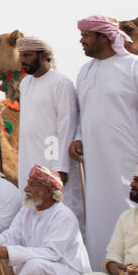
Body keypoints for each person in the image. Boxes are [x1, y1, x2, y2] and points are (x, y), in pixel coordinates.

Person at [70, 15, 138, 270]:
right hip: (95, 160)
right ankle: (103, 271)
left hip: (130, 158)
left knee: (130, 210)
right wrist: (78, 137)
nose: (81, 41)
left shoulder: (136, 66)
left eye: (86, 36)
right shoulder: (86, 71)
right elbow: (84, 111)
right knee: (99, 215)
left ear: (104, 37)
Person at [0, 165, 90, 275]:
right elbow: (12, 235)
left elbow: (52, 253)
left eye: (32, 185)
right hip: (36, 262)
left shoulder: (63, 216)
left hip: (66, 270)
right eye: (28, 183)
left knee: (34, 266)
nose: (26, 189)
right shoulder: (27, 210)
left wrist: (11, 252)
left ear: (48, 191)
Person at [15, 36, 84, 230]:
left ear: (44, 55)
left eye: (27, 55)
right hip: (29, 156)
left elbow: (66, 124)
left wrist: (58, 166)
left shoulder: (61, 83)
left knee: (61, 213)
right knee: (32, 212)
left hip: (51, 156)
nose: (23, 60)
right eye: (21, 55)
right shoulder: (25, 84)